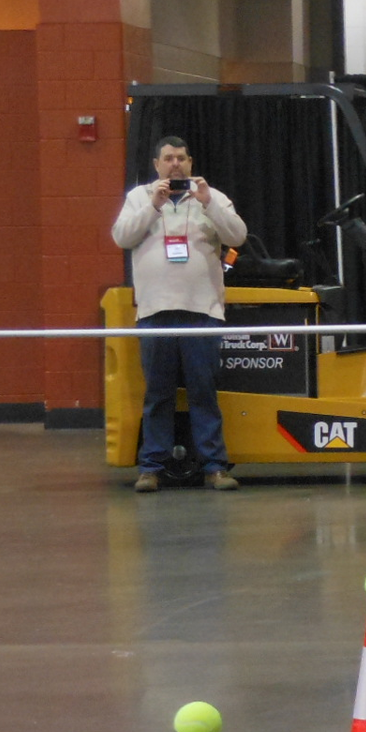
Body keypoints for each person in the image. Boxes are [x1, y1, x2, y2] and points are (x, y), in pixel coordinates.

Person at [111, 137, 248, 492]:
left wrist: (209, 205)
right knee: (158, 393)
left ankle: (215, 468)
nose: (175, 164)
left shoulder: (209, 196)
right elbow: (121, 237)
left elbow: (238, 235)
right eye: (168, 159)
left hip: (202, 311)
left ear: (190, 162)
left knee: (204, 391)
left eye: (181, 158)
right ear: (156, 164)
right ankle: (151, 468)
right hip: (155, 312)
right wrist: (153, 206)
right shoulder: (140, 197)